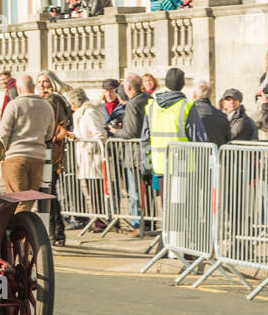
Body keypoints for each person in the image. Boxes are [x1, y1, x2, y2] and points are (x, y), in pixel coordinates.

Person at [142, 67, 207, 207]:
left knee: (167, 207)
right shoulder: (186, 106)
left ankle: (169, 230)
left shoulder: (152, 106)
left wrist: (146, 167)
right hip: (182, 165)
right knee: (181, 208)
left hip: (160, 165)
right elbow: (198, 138)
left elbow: (145, 138)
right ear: (183, 84)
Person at [0, 74, 56, 213]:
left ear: (18, 88)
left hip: (15, 157)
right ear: (33, 87)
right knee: (28, 200)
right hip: (38, 157)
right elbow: (49, 133)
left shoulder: (14, 105)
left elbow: (3, 133)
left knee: (16, 200)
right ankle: (25, 231)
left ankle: (18, 232)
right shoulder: (46, 105)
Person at [109, 73, 151, 237]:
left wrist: (115, 131)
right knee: (146, 191)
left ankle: (138, 224)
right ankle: (146, 223)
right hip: (146, 151)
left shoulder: (132, 104)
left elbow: (131, 132)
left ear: (127, 88)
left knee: (135, 192)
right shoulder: (149, 99)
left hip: (134, 154)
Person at [36, 71, 72, 242]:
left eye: (45, 81)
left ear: (52, 82)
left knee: (46, 192)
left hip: (50, 150)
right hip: (53, 150)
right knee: (49, 191)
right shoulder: (58, 98)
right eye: (39, 82)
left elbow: (57, 127)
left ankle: (53, 231)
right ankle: (57, 231)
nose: (41, 85)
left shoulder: (51, 100)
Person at [66, 86, 107, 233]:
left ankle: (101, 221)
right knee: (90, 191)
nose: (70, 105)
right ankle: (97, 219)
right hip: (85, 158)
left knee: (96, 191)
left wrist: (89, 147)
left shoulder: (89, 113)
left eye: (70, 102)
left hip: (92, 157)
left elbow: (99, 134)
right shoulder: (81, 113)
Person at [191, 81, 230, 146]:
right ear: (210, 96)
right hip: (216, 154)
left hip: (193, 154)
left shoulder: (189, 114)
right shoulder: (222, 116)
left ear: (194, 96)